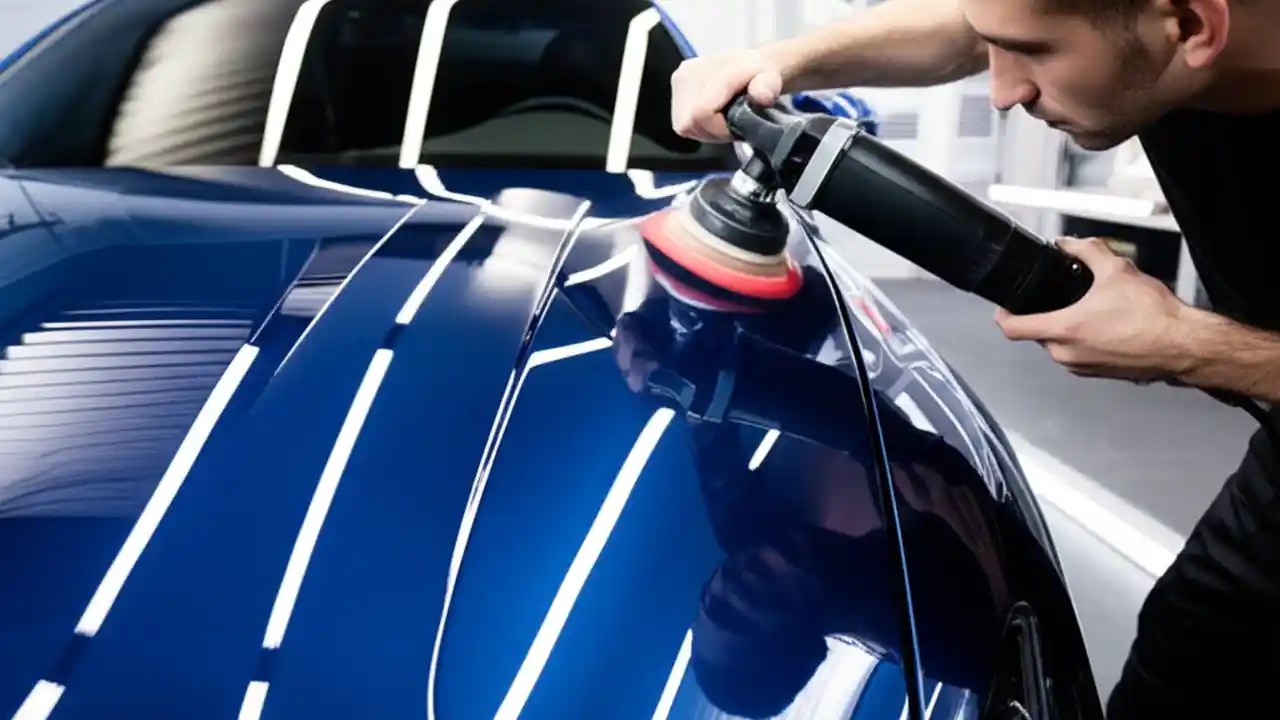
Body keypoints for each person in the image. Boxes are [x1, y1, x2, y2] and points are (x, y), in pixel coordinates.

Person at [668, 0, 1280, 716]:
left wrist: (1187, 344)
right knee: (1186, 662)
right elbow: (968, 23)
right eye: (995, 44)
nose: (1001, 93)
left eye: (1033, 51)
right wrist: (780, 62)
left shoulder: (938, 623)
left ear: (1193, 25)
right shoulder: (1148, 30)